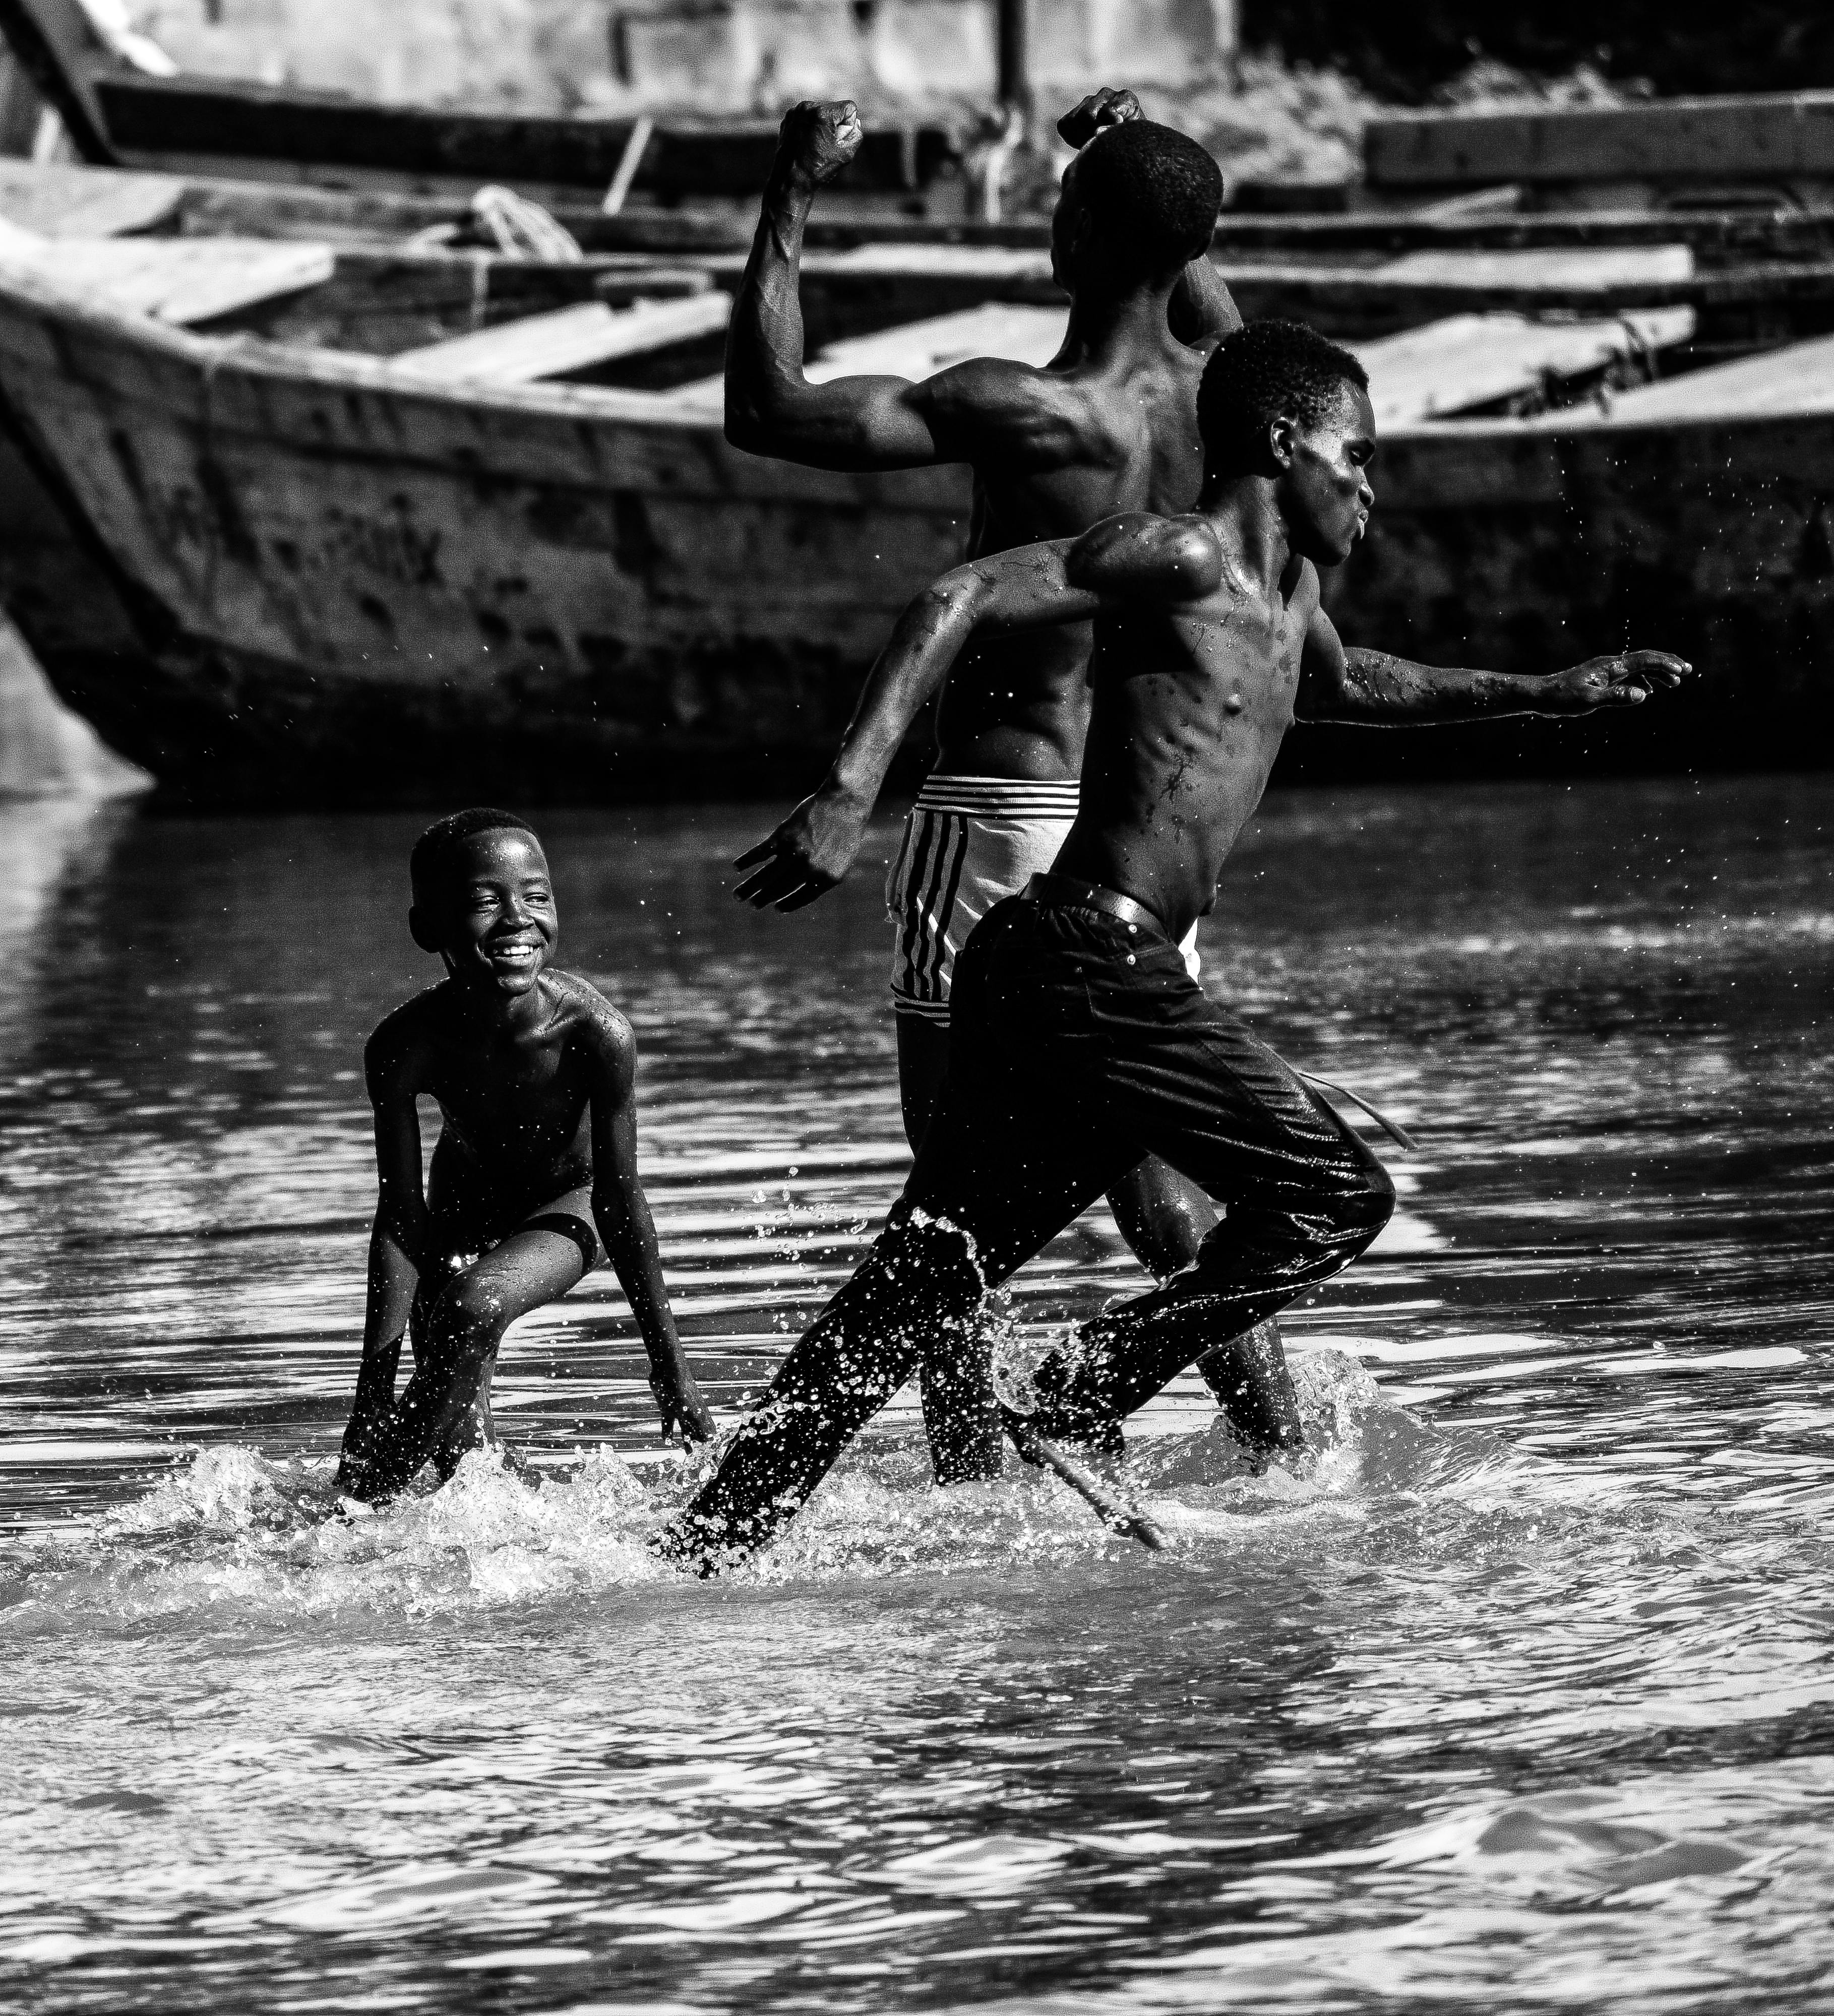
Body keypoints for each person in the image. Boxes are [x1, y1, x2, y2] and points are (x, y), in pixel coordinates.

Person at [659, 318, 1689, 1572]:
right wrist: (849, 784)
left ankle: (707, 1534)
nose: (1370, 484)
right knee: (1337, 1191)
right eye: (1353, 454)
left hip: (1063, 974)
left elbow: (1354, 684)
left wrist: (1549, 691)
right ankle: (1076, 1394)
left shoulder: (1289, 596)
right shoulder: (1181, 557)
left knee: (919, 1283)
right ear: (1279, 443)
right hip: (1087, 957)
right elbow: (963, 590)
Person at [724, 86, 1297, 1473]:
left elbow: (769, 409)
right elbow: (1194, 283)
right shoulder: (1230, 403)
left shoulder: (1020, 406)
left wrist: (789, 190)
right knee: (1149, 1169)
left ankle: (969, 1486)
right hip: (1137, 836)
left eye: (1064, 199)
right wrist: (1146, 166)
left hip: (995, 811)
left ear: (1080, 231)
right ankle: (1282, 1450)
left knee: (951, 1182)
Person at [335, 808, 711, 1501]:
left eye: (536, 897)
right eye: (485, 901)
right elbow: (400, 1220)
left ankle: (353, 1513)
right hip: (462, 1211)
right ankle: (531, 1530)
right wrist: (371, 1400)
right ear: (428, 930)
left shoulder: (595, 1031)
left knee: (471, 1304)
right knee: (460, 1452)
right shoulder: (404, 1044)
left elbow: (621, 1199)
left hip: (576, 1207)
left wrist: (669, 1368)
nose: (517, 920)